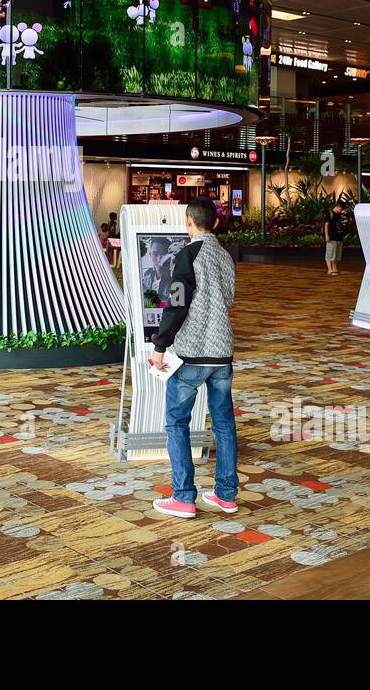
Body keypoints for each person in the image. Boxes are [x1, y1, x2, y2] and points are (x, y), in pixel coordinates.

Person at [150, 197, 238, 519]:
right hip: (222, 353)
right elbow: (227, 299)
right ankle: (226, 495)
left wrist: (161, 344)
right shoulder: (227, 257)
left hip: (191, 354)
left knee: (176, 422)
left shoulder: (187, 254)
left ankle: (184, 496)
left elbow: (177, 302)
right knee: (225, 423)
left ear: (189, 222)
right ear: (214, 223)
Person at [323, 202, 345, 276]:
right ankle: (330, 269)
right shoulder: (329, 214)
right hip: (332, 237)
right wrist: (326, 235)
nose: (341, 211)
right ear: (337, 207)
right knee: (330, 253)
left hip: (339, 237)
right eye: (341, 209)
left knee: (337, 254)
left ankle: (335, 268)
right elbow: (326, 224)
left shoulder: (340, 215)